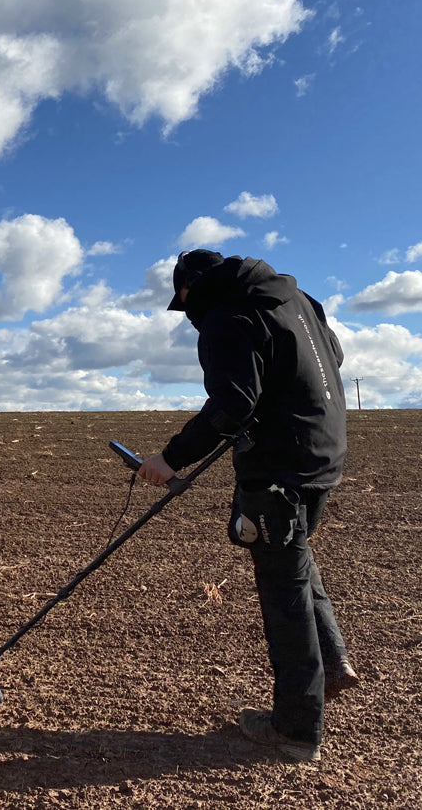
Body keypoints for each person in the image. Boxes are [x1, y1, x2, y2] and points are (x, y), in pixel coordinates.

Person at [137, 249, 359, 763]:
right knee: (296, 563)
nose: (186, 311)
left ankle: (296, 729)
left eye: (182, 300)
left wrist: (171, 458)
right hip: (323, 457)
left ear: (192, 287)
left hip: (279, 468)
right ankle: (332, 659)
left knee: (284, 594)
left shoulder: (227, 316)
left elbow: (234, 402)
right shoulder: (298, 300)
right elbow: (334, 358)